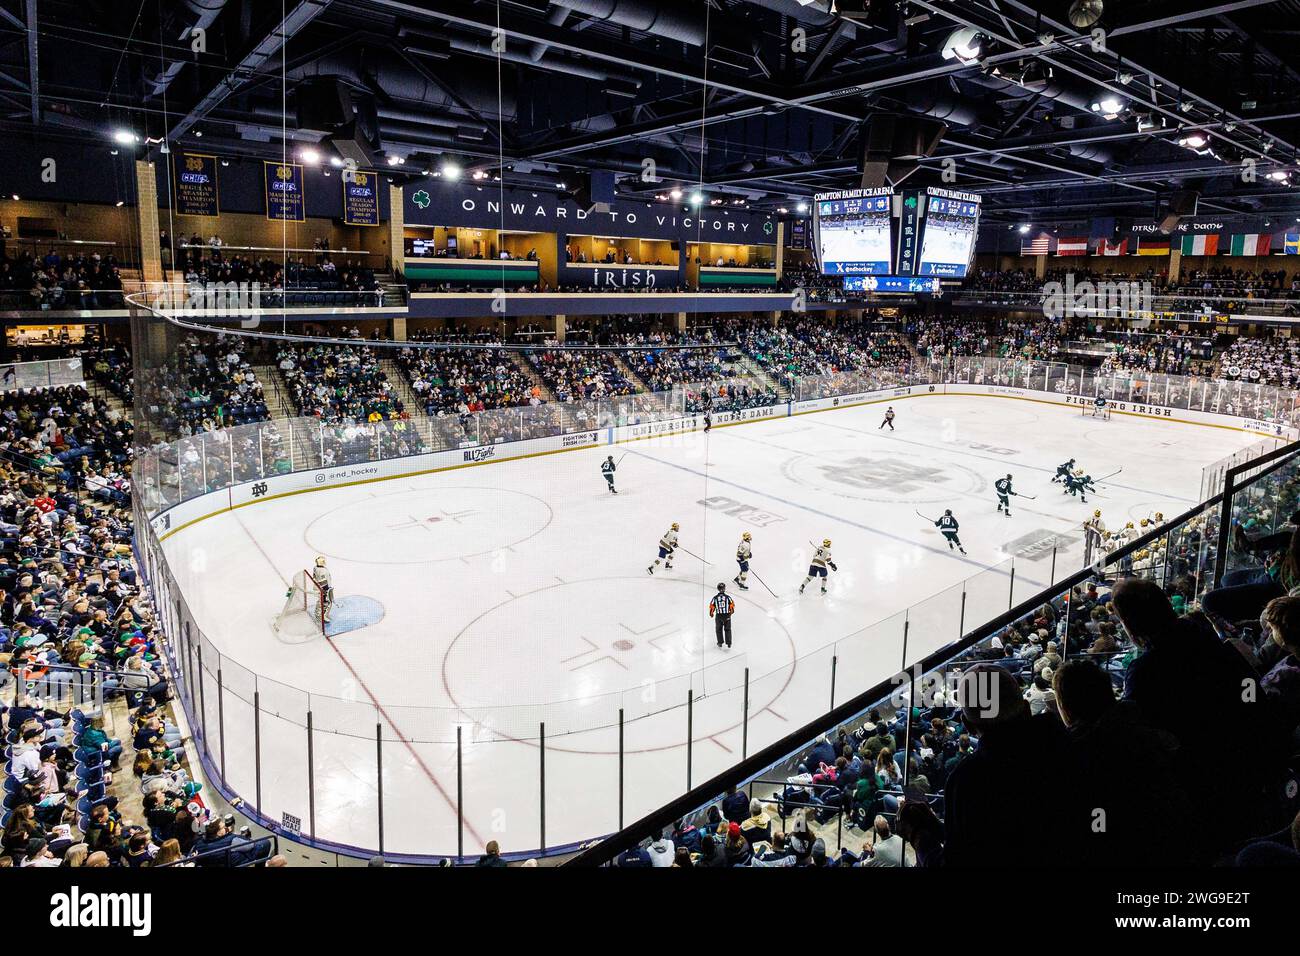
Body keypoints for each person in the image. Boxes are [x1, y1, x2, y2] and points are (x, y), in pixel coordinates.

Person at [943, 664, 1078, 866]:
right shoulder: (1073, 742)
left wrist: (921, 837)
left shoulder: (965, 782)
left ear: (968, 725)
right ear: (1025, 707)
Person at [710, 582, 735, 648]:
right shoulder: (728, 597)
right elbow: (732, 606)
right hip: (727, 615)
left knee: (718, 629)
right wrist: (731, 613)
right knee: (728, 629)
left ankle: (720, 642)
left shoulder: (715, 598)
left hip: (719, 616)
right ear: (724, 589)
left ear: (718, 589)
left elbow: (712, 606)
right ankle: (729, 643)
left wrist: (711, 613)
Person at [311, 555, 333, 624]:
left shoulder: (315, 568)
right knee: (327, 602)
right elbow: (322, 582)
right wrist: (326, 590)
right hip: (323, 589)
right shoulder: (322, 571)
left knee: (321, 602)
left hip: (318, 588)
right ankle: (323, 616)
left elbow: (315, 578)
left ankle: (319, 614)